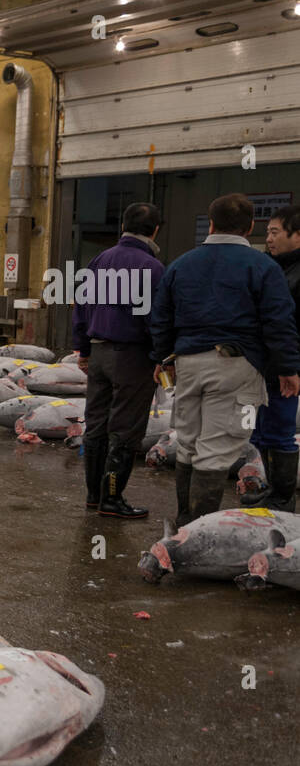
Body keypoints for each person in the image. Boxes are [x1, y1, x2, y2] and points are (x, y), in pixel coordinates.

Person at [150, 193, 300, 525]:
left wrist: (163, 358)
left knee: (187, 441)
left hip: (187, 362)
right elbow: (279, 322)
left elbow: (160, 317)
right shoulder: (263, 267)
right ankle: (198, 533)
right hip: (236, 364)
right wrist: (288, 367)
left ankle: (184, 519)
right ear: (250, 228)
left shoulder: (181, 264)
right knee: (217, 448)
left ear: (212, 223)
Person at [71, 202, 165, 519]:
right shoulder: (153, 268)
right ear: (154, 230)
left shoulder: (99, 260)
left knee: (96, 425)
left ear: (122, 226)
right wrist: (161, 357)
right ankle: (113, 499)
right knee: (125, 431)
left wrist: (82, 349)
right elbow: (157, 320)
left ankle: (94, 496)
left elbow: (80, 308)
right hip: (132, 357)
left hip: (98, 355)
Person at [241, 206, 300, 510]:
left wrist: (290, 365)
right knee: (263, 430)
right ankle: (273, 491)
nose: (269, 238)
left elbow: (285, 324)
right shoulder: (273, 268)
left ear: (297, 236)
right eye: (267, 232)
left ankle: (283, 498)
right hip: (266, 365)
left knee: (280, 431)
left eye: (276, 232)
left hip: (286, 366)